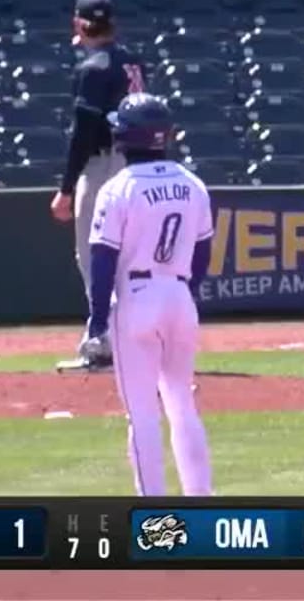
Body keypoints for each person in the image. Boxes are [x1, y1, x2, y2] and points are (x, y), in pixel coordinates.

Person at [87, 93, 213, 495]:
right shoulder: (193, 184)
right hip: (179, 296)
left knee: (142, 414)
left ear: (124, 137)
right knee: (181, 404)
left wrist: (96, 319)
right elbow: (203, 251)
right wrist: (182, 293)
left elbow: (102, 258)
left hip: (137, 298)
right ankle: (201, 499)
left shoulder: (117, 188)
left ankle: (155, 515)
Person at [52, 0, 148, 373]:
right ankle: (133, 339)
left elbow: (84, 133)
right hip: (139, 165)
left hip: (106, 163)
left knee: (95, 253)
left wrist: (66, 186)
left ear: (79, 24)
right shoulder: (131, 62)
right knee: (128, 255)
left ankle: (104, 341)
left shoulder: (93, 67)